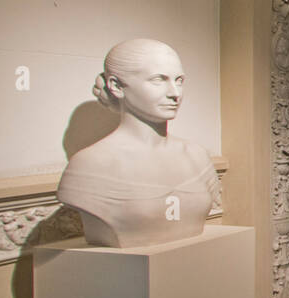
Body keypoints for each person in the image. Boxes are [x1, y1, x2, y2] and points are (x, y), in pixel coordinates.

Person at [57, 39, 218, 247]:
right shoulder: (91, 164)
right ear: (116, 86)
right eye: (158, 80)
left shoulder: (196, 155)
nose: (175, 93)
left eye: (179, 80)